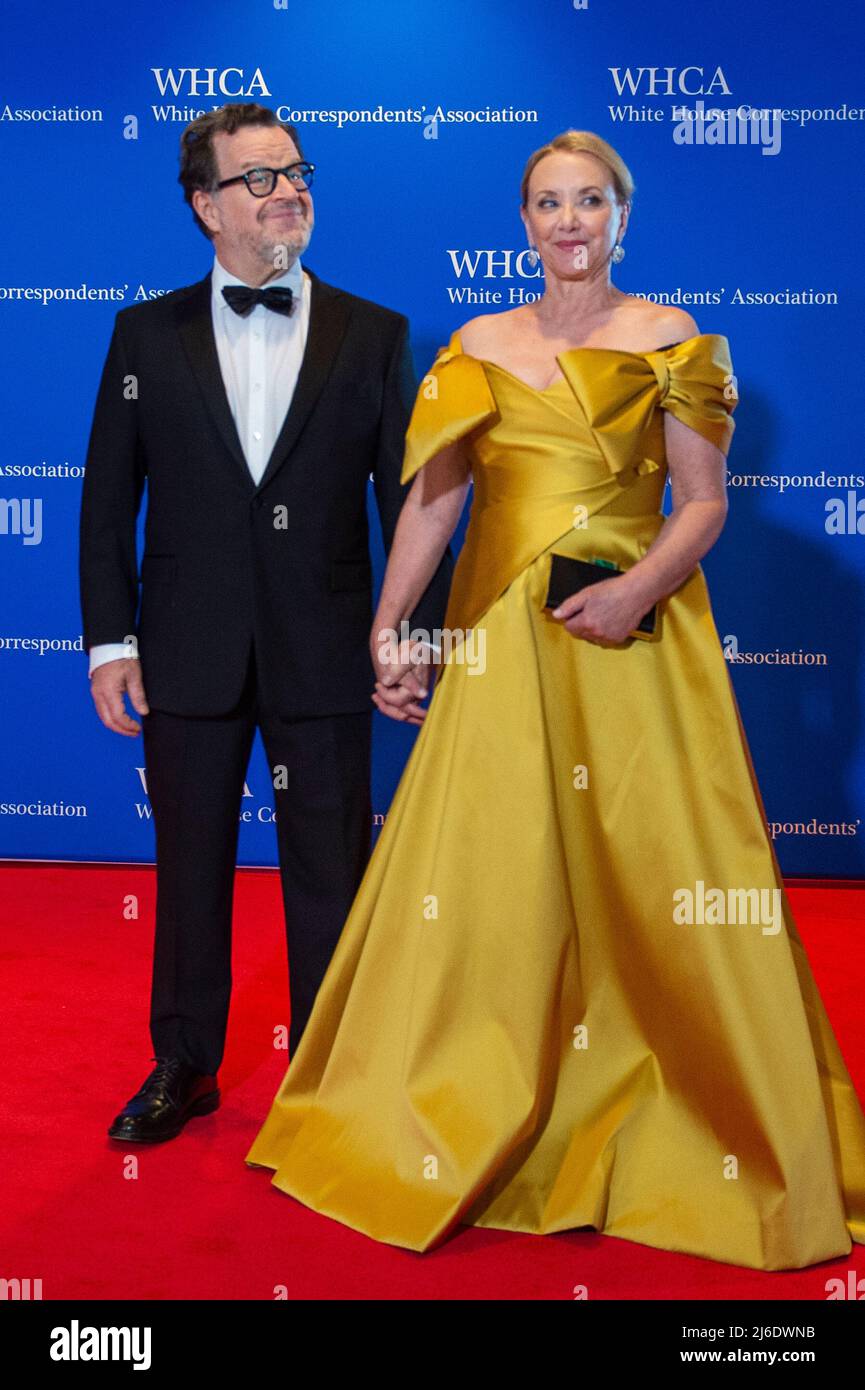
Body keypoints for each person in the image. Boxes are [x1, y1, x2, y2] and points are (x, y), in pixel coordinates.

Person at [245, 130, 865, 1270]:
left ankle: (689, 1115)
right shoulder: (478, 342)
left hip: (633, 639)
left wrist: (635, 590)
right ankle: (464, 1109)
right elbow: (433, 504)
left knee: (657, 875)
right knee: (491, 875)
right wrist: (395, 627)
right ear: (521, 223)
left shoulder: (668, 336)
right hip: (499, 644)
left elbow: (702, 501)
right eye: (546, 203)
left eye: (588, 201)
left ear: (620, 217)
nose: (568, 221)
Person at [79, 102, 453, 1144]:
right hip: (185, 649)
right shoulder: (141, 333)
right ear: (204, 204)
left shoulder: (373, 334)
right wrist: (112, 640)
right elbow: (109, 495)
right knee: (188, 867)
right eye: (257, 177)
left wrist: (413, 631)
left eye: (296, 172)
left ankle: (334, 1079)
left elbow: (412, 500)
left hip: (326, 645)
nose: (287, 189)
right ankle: (183, 1065)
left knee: (330, 870)